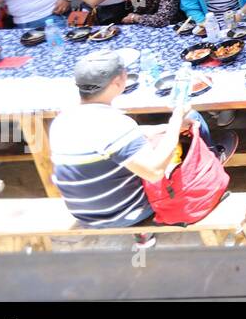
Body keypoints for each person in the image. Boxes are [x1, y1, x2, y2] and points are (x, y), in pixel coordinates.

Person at [49, 52, 212, 235]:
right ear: (117, 82)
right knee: (191, 126)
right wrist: (175, 121)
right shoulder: (114, 123)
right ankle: (209, 177)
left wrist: (164, 127)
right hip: (127, 214)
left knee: (162, 136)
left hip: (86, 215)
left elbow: (116, 140)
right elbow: (154, 172)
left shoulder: (62, 119)